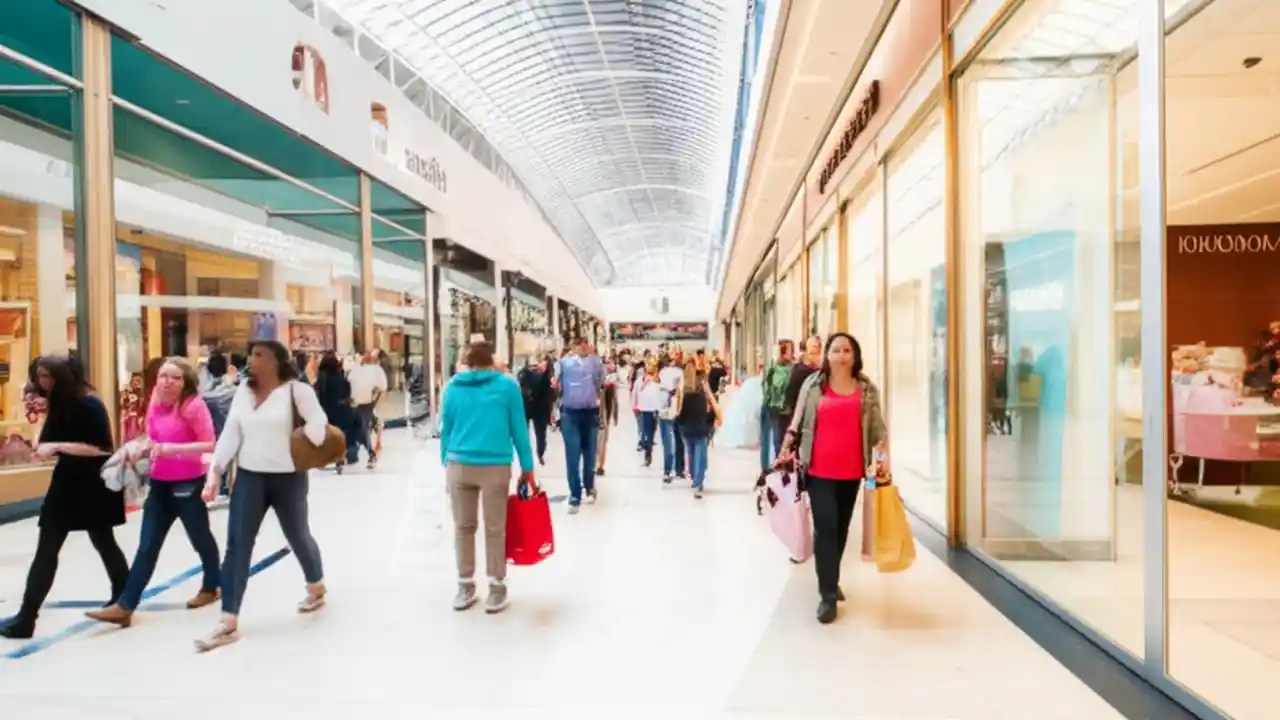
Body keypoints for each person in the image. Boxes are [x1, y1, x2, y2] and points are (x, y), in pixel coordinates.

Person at [195, 340, 329, 652]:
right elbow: (231, 434)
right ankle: (228, 620)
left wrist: (304, 437)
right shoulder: (243, 391)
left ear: (277, 361)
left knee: (298, 535)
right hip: (250, 477)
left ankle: (316, 584)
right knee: (237, 545)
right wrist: (215, 471)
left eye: (260, 355)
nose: (252, 360)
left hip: (289, 478)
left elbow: (319, 426)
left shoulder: (298, 391)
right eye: (251, 355)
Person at [0, 356, 128, 639]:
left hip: (94, 483)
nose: (42, 382)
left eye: (47, 376)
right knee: (47, 549)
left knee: (103, 542)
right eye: (39, 376)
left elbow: (101, 449)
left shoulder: (90, 405)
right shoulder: (58, 405)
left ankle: (124, 600)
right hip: (66, 483)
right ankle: (26, 616)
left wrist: (57, 446)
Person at [87, 358, 221, 628]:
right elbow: (152, 437)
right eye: (163, 376)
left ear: (186, 382)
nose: (167, 382)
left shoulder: (193, 406)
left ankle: (211, 585)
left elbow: (209, 443)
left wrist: (173, 449)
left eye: (175, 377)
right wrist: (138, 448)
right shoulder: (154, 402)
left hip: (187, 484)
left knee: (200, 539)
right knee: (147, 546)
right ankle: (125, 605)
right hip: (159, 485)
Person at [779, 333, 886, 625]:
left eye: (846, 350)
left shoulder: (866, 389)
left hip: (852, 473)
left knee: (839, 530)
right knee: (826, 528)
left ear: (855, 355)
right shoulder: (813, 385)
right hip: (818, 471)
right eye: (835, 349)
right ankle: (827, 594)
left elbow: (878, 431)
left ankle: (831, 575)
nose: (841, 355)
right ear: (827, 354)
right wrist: (786, 447)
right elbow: (797, 420)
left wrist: (882, 462)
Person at [440, 341, 536, 614]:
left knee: (462, 527)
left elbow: (445, 429)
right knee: (495, 528)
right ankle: (496, 586)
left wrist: (445, 460)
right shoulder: (507, 386)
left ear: (466, 361)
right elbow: (519, 429)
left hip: (459, 464)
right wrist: (527, 467)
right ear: (491, 360)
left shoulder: (452, 387)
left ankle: (465, 585)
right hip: (495, 466)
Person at [555, 337, 604, 513]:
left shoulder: (595, 362)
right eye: (580, 344)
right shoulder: (563, 363)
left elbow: (600, 384)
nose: (583, 347)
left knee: (590, 453)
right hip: (570, 413)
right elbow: (557, 386)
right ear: (574, 347)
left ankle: (589, 487)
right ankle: (575, 493)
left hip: (589, 413)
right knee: (573, 455)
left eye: (586, 344)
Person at [674, 357, 721, 499]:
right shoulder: (704, 389)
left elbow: (678, 409)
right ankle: (698, 481)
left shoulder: (683, 389)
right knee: (700, 454)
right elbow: (713, 406)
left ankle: (696, 478)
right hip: (701, 426)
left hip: (686, 426)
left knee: (692, 453)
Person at [314, 352, 355, 473]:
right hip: (340, 410)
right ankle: (340, 459)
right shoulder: (340, 378)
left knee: (327, 436)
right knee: (341, 435)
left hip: (325, 411)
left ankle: (324, 458)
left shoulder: (321, 379)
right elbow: (347, 393)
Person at [348, 351, 388, 469]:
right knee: (364, 425)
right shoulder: (361, 369)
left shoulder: (371, 370)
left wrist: (374, 399)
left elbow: (382, 387)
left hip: (364, 402)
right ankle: (371, 452)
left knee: (363, 427)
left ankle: (371, 453)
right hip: (362, 402)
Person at [761, 340, 795, 470]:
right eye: (782, 349)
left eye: (786, 349)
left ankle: (785, 466)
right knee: (776, 439)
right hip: (774, 407)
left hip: (788, 408)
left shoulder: (793, 368)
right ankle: (775, 466)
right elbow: (766, 384)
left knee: (786, 440)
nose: (784, 352)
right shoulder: (773, 368)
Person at [517, 354, 555, 465]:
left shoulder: (544, 376)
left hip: (534, 407)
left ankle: (537, 453)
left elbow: (551, 394)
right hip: (535, 408)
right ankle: (536, 454)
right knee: (536, 434)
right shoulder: (541, 376)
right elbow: (551, 395)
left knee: (538, 434)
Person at [780, 336, 822, 435]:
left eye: (817, 351)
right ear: (806, 353)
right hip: (802, 424)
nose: (816, 354)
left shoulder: (821, 373)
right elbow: (791, 400)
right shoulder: (799, 372)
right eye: (812, 352)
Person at [657, 346, 687, 483]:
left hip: (664, 409)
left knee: (668, 442)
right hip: (677, 409)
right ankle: (679, 469)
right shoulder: (681, 372)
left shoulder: (662, 372)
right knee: (679, 440)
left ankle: (668, 471)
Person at [632, 355, 664, 467]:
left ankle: (649, 452)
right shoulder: (640, 380)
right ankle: (647, 454)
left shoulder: (659, 381)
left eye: (652, 364)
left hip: (656, 409)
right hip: (644, 409)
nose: (650, 367)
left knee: (652, 432)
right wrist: (634, 406)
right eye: (648, 364)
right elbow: (635, 393)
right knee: (647, 432)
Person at [594, 356, 620, 476]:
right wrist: (615, 417)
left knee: (595, 442)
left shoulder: (592, 383)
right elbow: (615, 400)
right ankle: (600, 465)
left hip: (596, 416)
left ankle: (596, 464)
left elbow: (614, 400)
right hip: (603, 417)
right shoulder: (609, 384)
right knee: (603, 442)